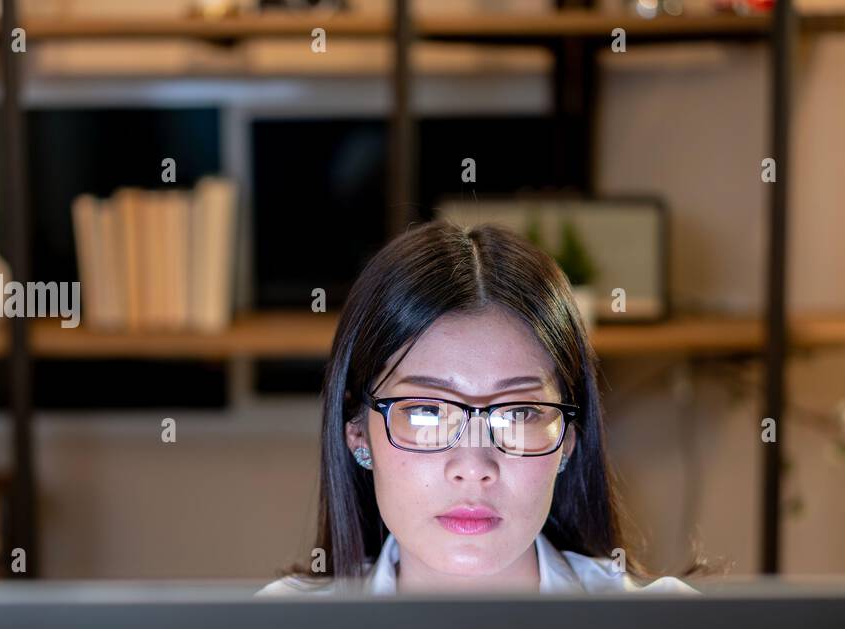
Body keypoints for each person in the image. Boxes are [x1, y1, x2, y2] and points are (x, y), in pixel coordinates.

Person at [257, 220, 698, 596]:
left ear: (568, 440)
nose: (473, 466)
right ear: (357, 432)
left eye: (520, 413)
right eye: (427, 410)